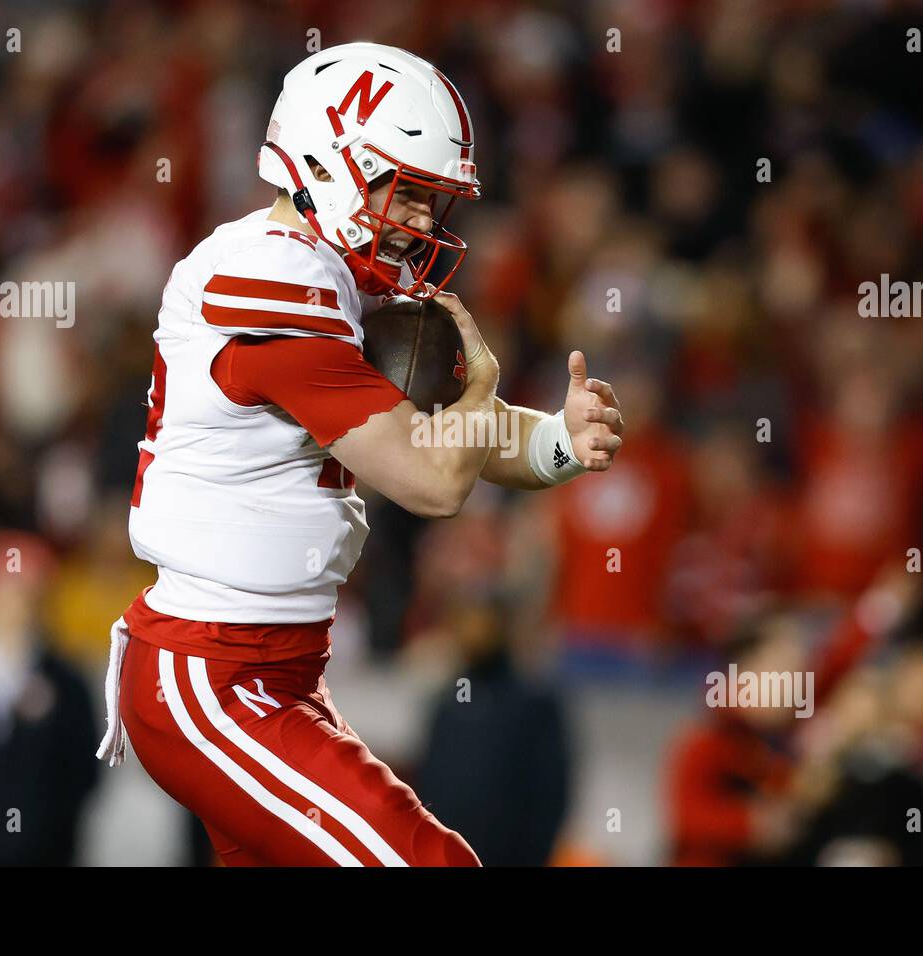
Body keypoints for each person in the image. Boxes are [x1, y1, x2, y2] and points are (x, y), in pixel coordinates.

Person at [96, 42, 624, 867]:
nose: (421, 223)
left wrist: (559, 441)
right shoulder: (270, 278)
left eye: (431, 202)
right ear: (330, 162)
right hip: (215, 673)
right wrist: (480, 386)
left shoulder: (329, 278)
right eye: (407, 193)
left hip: (278, 670)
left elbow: (444, 437)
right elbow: (432, 478)